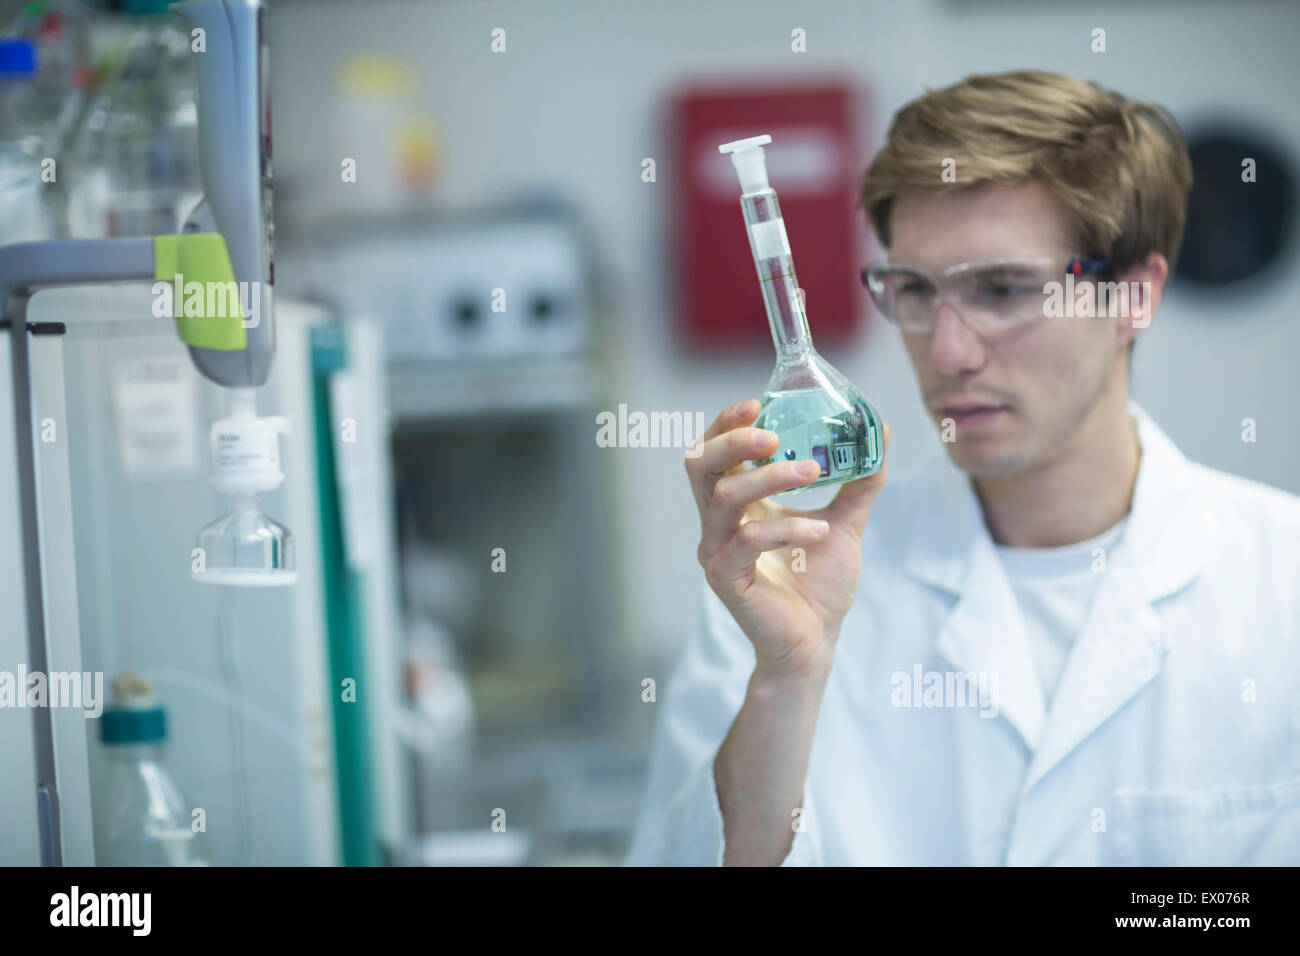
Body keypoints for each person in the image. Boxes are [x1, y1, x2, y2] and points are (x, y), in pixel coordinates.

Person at [625, 70, 1300, 866]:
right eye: (912, 289)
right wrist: (785, 682)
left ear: (1133, 295)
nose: (947, 353)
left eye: (1005, 288)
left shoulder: (1280, 582)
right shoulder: (781, 581)